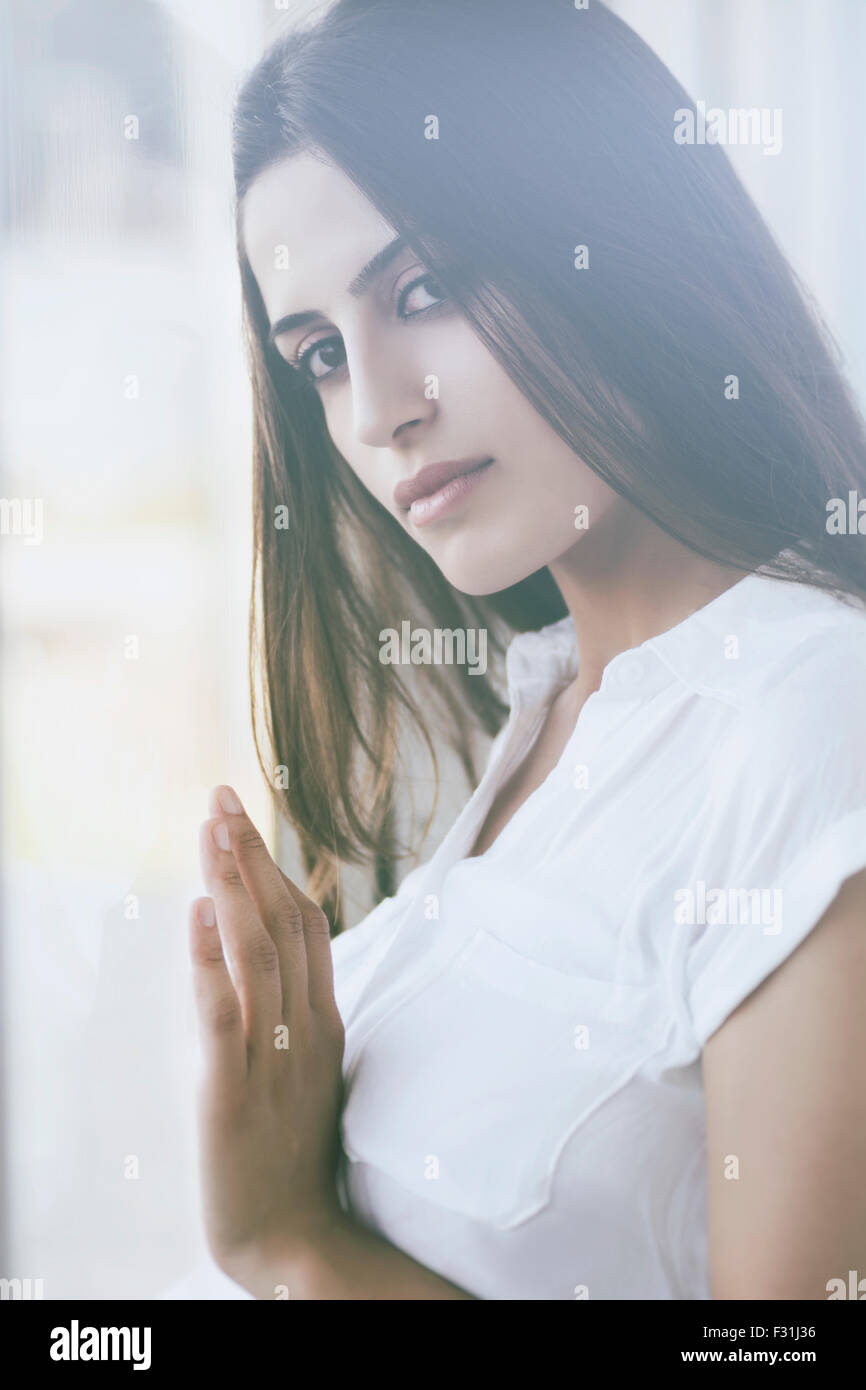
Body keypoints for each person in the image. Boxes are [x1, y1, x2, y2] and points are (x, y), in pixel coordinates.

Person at [181, 0, 866, 1300]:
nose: (378, 409)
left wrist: (292, 1244)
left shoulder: (809, 715)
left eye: (424, 289)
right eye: (319, 354)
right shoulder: (541, 708)